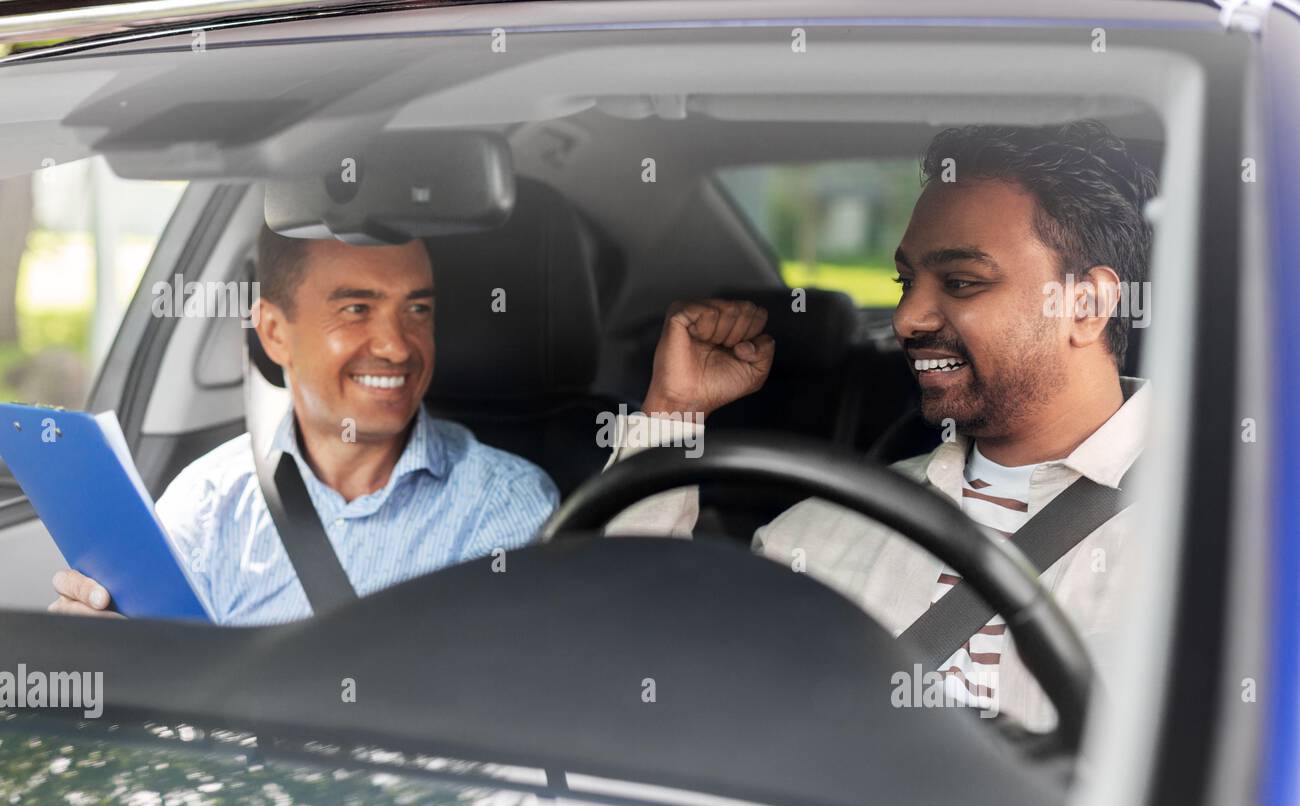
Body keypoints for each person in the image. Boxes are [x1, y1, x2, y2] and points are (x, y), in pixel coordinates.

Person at [605, 121, 1156, 732]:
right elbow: (625, 672)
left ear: (1087, 304)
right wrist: (672, 414)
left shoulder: (1234, 541)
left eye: (962, 282)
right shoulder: (824, 532)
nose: (906, 318)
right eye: (905, 282)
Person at [49, 226, 558, 625]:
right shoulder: (206, 504)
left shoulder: (504, 505)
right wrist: (108, 650)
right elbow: (166, 703)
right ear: (273, 332)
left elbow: (478, 718)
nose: (398, 346)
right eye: (357, 309)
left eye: (417, 309)